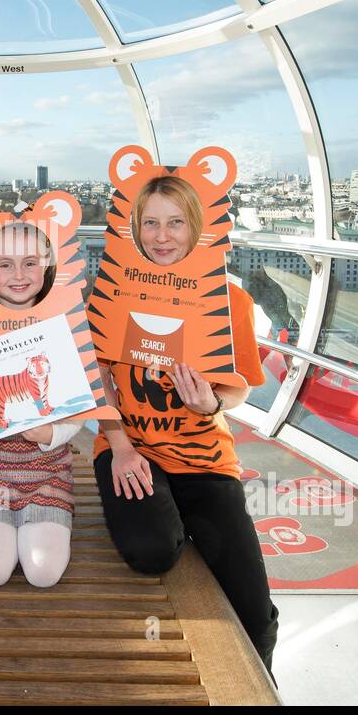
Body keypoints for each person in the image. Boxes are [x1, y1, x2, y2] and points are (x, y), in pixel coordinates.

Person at [94, 174, 279, 679]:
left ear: (198, 227)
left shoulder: (230, 301)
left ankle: (260, 684)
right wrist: (121, 446)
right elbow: (100, 379)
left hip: (204, 455)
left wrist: (210, 402)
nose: (162, 236)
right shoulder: (112, 294)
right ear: (134, 228)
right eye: (150, 222)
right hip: (131, 448)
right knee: (151, 553)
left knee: (252, 604)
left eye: (176, 222)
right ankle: (170, 514)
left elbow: (241, 387)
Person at [0, 222, 84, 588]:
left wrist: (52, 432)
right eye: (5, 264)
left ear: (48, 264)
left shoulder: (66, 322)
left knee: (43, 573)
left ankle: (45, 514)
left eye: (30, 263)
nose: (18, 275)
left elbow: (79, 405)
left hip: (48, 470)